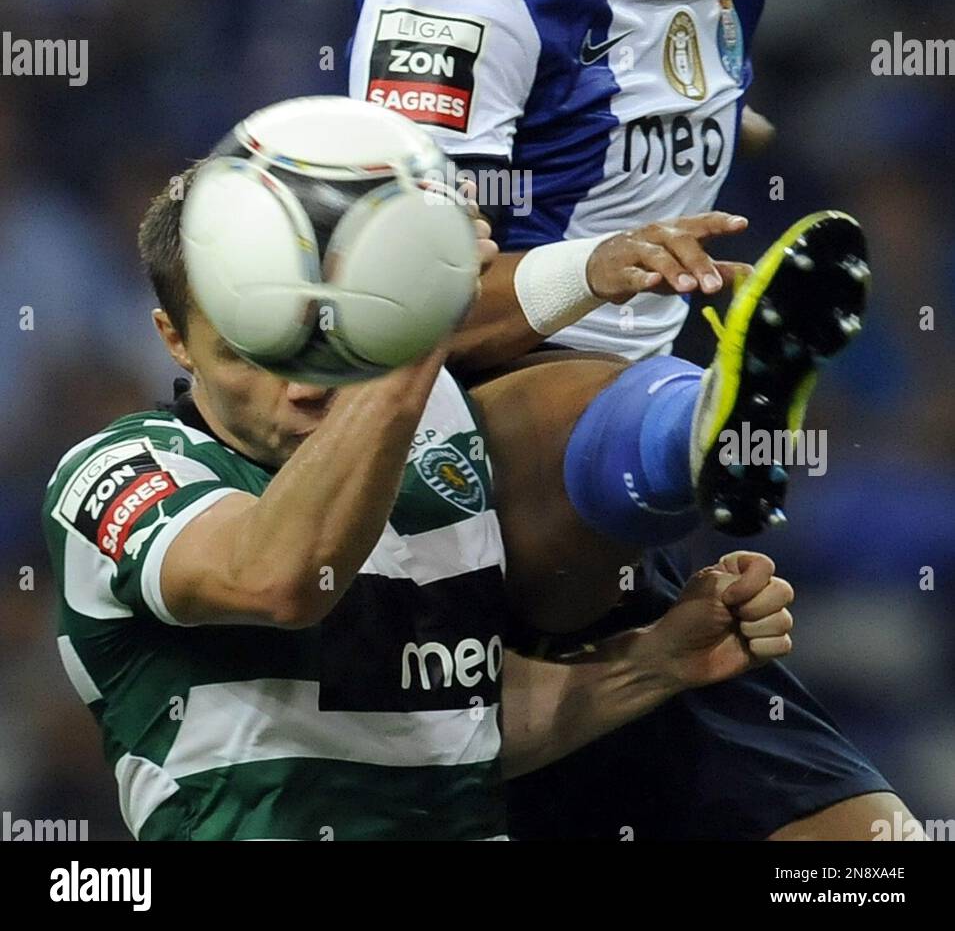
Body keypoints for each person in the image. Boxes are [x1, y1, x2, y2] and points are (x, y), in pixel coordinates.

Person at [349, 0, 915, 840]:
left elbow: (665, 122)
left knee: (868, 850)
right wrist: (593, 267)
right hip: (439, 499)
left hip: (616, 549)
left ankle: (695, 431)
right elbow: (394, 325)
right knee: (576, 376)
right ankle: (705, 428)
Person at [41, 153, 821, 841]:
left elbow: (447, 729)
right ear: (173, 338)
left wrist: (655, 663)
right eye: (257, 343)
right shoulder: (120, 474)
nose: (307, 379)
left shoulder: (438, 430)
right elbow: (276, 579)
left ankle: (693, 424)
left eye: (326, 328)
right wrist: (411, 341)